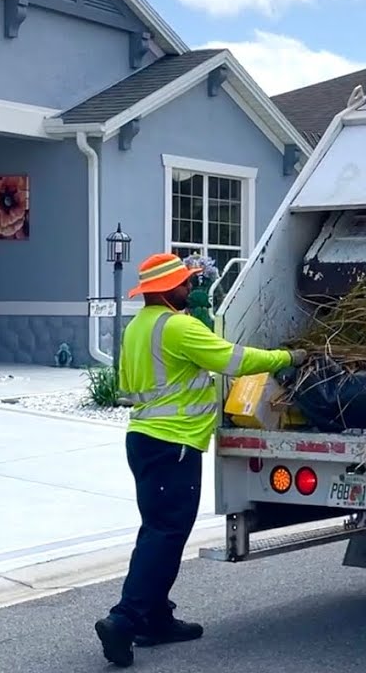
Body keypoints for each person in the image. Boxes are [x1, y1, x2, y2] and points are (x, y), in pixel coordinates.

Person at [94, 253, 304, 668]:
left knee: (156, 529)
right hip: (174, 445)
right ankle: (124, 620)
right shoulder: (179, 327)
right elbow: (236, 361)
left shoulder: (139, 327)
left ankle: (156, 618)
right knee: (166, 532)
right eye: (184, 284)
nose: (191, 288)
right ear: (164, 290)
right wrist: (287, 358)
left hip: (145, 440)